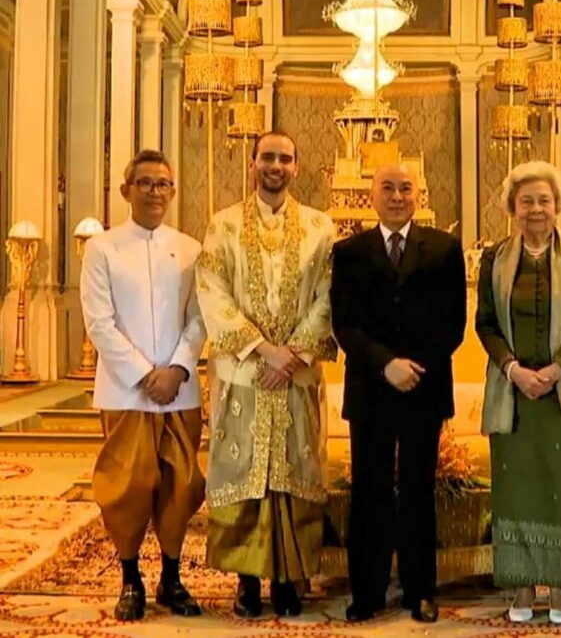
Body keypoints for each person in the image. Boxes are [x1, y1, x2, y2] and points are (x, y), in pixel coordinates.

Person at [195, 131, 336, 618]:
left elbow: (328, 298)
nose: (275, 165)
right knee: (245, 476)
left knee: (293, 477)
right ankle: (247, 581)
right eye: (267, 157)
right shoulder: (223, 225)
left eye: (285, 158)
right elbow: (212, 290)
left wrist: (292, 354)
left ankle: (288, 579)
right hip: (243, 375)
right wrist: (261, 351)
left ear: (297, 167)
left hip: (295, 375)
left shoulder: (321, 227)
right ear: (252, 163)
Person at [330, 163, 466, 623]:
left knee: (417, 490)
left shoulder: (444, 248)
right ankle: (366, 592)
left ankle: (420, 590)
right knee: (369, 490)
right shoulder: (348, 251)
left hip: (424, 387)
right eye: (387, 187)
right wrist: (385, 363)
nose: (396, 195)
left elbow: (453, 322)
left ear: (418, 194)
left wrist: (413, 366)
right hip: (371, 387)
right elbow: (344, 323)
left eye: (405, 188)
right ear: (372, 195)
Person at [475, 161, 561, 625]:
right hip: (513, 394)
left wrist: (555, 369)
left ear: (558, 206)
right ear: (512, 206)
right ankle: (523, 585)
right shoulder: (494, 258)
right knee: (518, 488)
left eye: (544, 201)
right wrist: (513, 370)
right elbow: (485, 323)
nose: (535, 209)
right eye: (526, 200)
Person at [81, 149, 206, 621]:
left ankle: (171, 578)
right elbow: (99, 321)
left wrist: (176, 369)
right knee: (128, 487)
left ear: (173, 192)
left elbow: (198, 318)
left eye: (163, 184)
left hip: (179, 389)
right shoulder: (103, 248)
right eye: (146, 183)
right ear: (126, 190)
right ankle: (130, 577)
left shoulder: (191, 248)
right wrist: (141, 374)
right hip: (126, 390)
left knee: (181, 486)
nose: (155, 191)